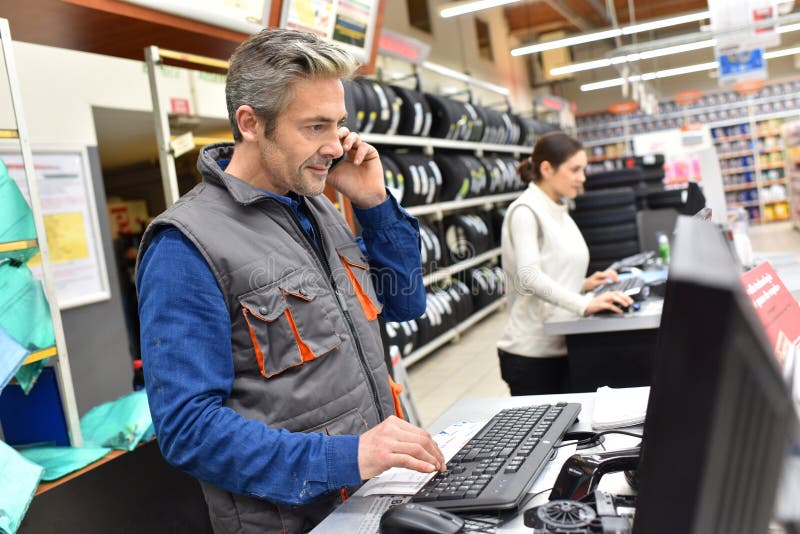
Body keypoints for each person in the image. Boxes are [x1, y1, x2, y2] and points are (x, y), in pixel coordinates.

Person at [135, 28, 445, 533]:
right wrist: (347, 457)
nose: (335, 146)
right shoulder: (186, 246)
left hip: (371, 497)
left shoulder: (319, 208)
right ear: (251, 123)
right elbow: (187, 429)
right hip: (293, 519)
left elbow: (405, 303)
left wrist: (375, 205)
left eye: (339, 125)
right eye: (315, 127)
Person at [497, 132, 633, 396]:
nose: (582, 177)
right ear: (547, 168)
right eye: (575, 169)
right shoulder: (526, 211)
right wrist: (584, 304)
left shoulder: (558, 208)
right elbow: (529, 276)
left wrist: (584, 284)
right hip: (532, 354)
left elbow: (551, 270)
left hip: (561, 344)